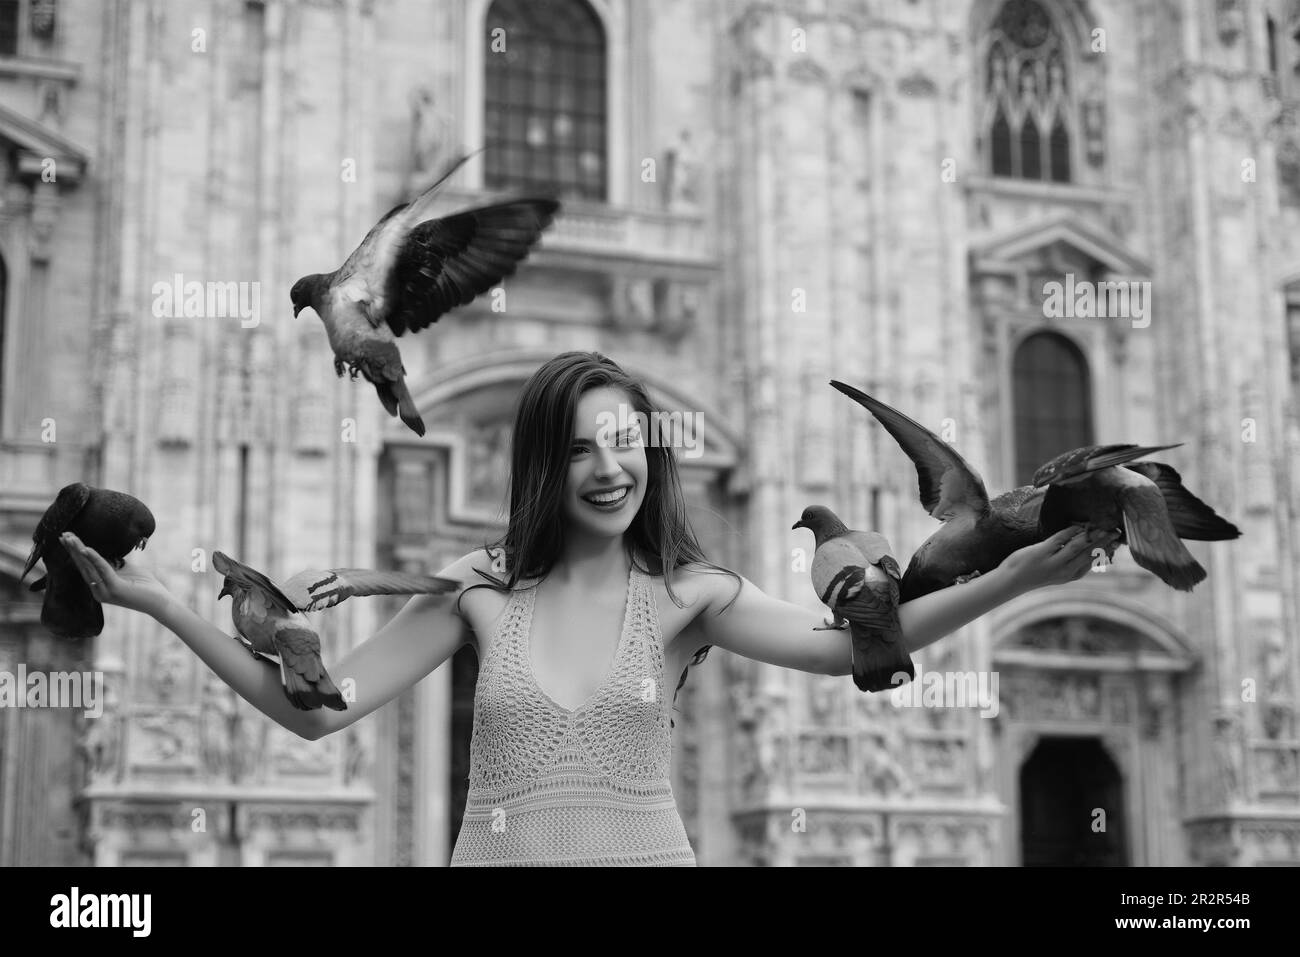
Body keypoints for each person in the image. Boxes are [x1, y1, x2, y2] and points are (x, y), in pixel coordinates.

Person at [58, 351, 1117, 866]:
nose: (608, 470)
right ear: (540, 467)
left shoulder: (691, 594)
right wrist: (159, 605)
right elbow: (316, 709)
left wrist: (1014, 577)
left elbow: (850, 651)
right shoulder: (472, 588)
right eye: (577, 447)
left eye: (626, 445)